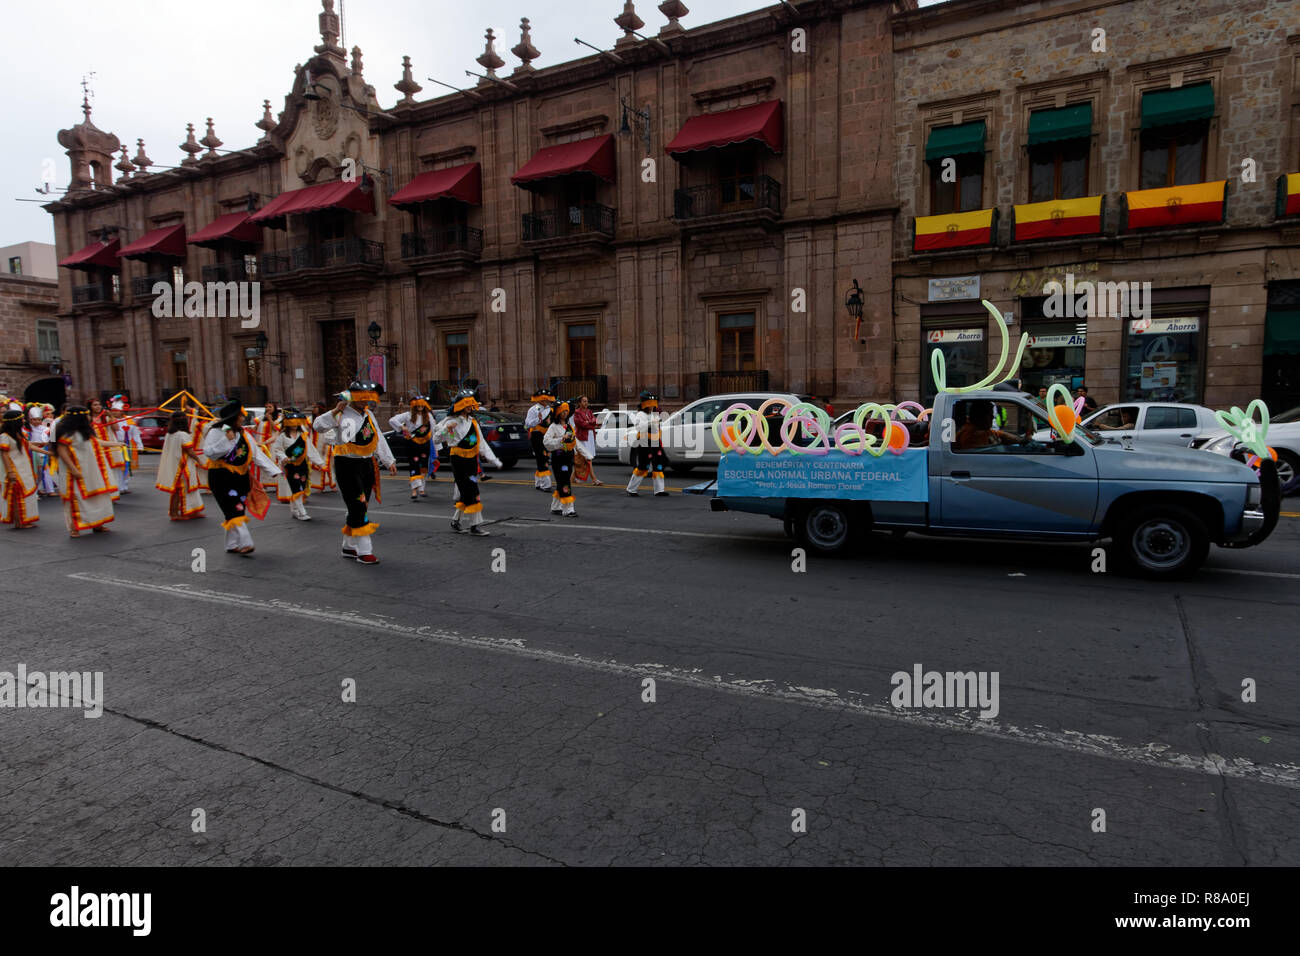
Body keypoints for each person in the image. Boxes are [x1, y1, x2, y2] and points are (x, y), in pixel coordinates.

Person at [313, 382, 397, 564]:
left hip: (366, 464)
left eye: (368, 396)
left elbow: (378, 438)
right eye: (361, 396)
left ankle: (349, 546)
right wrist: (335, 411)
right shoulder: (340, 414)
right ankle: (364, 550)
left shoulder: (369, 414)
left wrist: (388, 460)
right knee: (358, 504)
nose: (365, 400)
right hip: (346, 464)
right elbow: (317, 426)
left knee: (361, 505)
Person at [202, 401, 281, 555]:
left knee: (236, 509)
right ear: (233, 417)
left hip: (240, 477)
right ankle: (246, 541)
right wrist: (227, 439)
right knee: (233, 509)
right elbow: (209, 453)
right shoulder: (216, 432)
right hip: (221, 477)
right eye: (241, 416)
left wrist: (273, 470)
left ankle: (231, 544)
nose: (243, 418)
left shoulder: (243, 433)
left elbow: (255, 453)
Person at [434, 388, 502, 536]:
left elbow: (481, 443)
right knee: (472, 491)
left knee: (466, 491)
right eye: (467, 404)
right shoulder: (450, 421)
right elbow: (436, 438)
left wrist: (494, 460)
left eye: (472, 404)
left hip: (471, 459)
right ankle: (475, 525)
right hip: (458, 459)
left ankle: (456, 521)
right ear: (460, 405)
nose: (471, 407)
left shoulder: (473, 422)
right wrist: (446, 429)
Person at [54, 405, 116, 537]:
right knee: (76, 497)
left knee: (98, 497)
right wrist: (74, 469)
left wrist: (116, 444)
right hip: (76, 471)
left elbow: (96, 442)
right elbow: (62, 451)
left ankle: (98, 524)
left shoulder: (85, 431)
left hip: (92, 470)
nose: (89, 417)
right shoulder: (67, 433)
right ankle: (74, 528)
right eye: (86, 415)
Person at [270, 407, 324, 521]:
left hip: (302, 465)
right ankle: (302, 512)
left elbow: (310, 449)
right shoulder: (282, 436)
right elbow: (277, 449)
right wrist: (283, 458)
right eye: (292, 422)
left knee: (301, 487)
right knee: (296, 488)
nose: (294, 425)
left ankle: (294, 510)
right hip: (290, 466)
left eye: (296, 422)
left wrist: (319, 463)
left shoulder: (303, 435)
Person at [155, 410, 206, 521]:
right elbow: (189, 451)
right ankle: (175, 514)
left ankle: (193, 510)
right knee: (180, 491)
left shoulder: (170, 434)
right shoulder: (182, 434)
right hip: (182, 467)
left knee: (190, 489)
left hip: (179, 465)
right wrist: (200, 461)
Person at [389, 396, 436, 500]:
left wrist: (436, 447)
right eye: (417, 404)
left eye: (421, 404)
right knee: (414, 465)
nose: (419, 406)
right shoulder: (408, 415)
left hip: (425, 444)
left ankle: (422, 489)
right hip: (412, 443)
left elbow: (433, 431)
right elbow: (392, 420)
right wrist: (402, 427)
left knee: (424, 466)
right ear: (414, 405)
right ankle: (414, 490)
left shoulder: (428, 416)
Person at [0, 407, 39, 529]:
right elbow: (4, 454)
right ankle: (19, 522)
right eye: (21, 419)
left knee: (24, 494)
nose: (23, 421)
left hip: (24, 468)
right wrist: (10, 471)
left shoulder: (19, 434)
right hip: (14, 468)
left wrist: (49, 451)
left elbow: (30, 446)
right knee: (16, 495)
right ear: (15, 421)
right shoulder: (5, 436)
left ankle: (24, 520)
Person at [626, 390, 669, 497]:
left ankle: (659, 490)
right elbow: (639, 427)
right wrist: (651, 423)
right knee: (643, 466)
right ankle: (631, 489)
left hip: (655, 442)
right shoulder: (640, 414)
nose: (652, 406)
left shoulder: (654, 414)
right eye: (650, 404)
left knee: (659, 465)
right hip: (645, 442)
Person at [544, 402, 579, 518]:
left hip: (568, 458)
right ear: (558, 413)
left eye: (566, 411)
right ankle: (568, 509)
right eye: (563, 411)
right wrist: (561, 440)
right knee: (565, 482)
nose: (565, 413)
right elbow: (546, 442)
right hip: (559, 459)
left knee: (562, 481)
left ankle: (555, 507)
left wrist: (586, 455)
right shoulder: (553, 427)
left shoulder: (569, 426)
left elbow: (575, 442)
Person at [954, 401, 1026, 450]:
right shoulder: (972, 435)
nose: (992, 417)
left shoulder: (982, 429)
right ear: (979, 416)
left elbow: (999, 434)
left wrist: (1020, 440)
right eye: (989, 415)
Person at [108, 400, 143, 493]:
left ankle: (124, 486)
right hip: (116, 445)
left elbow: (135, 434)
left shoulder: (130, 421)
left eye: (116, 410)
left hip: (128, 445)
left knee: (127, 467)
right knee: (118, 467)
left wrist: (140, 445)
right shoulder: (110, 420)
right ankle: (118, 487)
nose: (114, 412)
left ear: (122, 411)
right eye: (113, 410)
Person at [525, 387, 556, 491]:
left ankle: (538, 482)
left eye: (546, 398)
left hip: (547, 436)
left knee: (545, 458)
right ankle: (545, 484)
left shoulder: (549, 409)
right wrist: (538, 419)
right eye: (542, 398)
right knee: (541, 458)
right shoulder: (533, 409)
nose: (544, 400)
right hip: (537, 435)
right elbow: (527, 424)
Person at [572, 395, 603, 486]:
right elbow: (581, 424)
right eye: (584, 401)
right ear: (579, 403)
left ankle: (572, 478)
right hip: (582, 437)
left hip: (590, 436)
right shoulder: (577, 412)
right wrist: (591, 424)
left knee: (583, 459)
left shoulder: (589, 411)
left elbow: (594, 420)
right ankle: (594, 479)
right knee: (587, 458)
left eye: (587, 401)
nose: (586, 403)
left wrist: (589, 423)